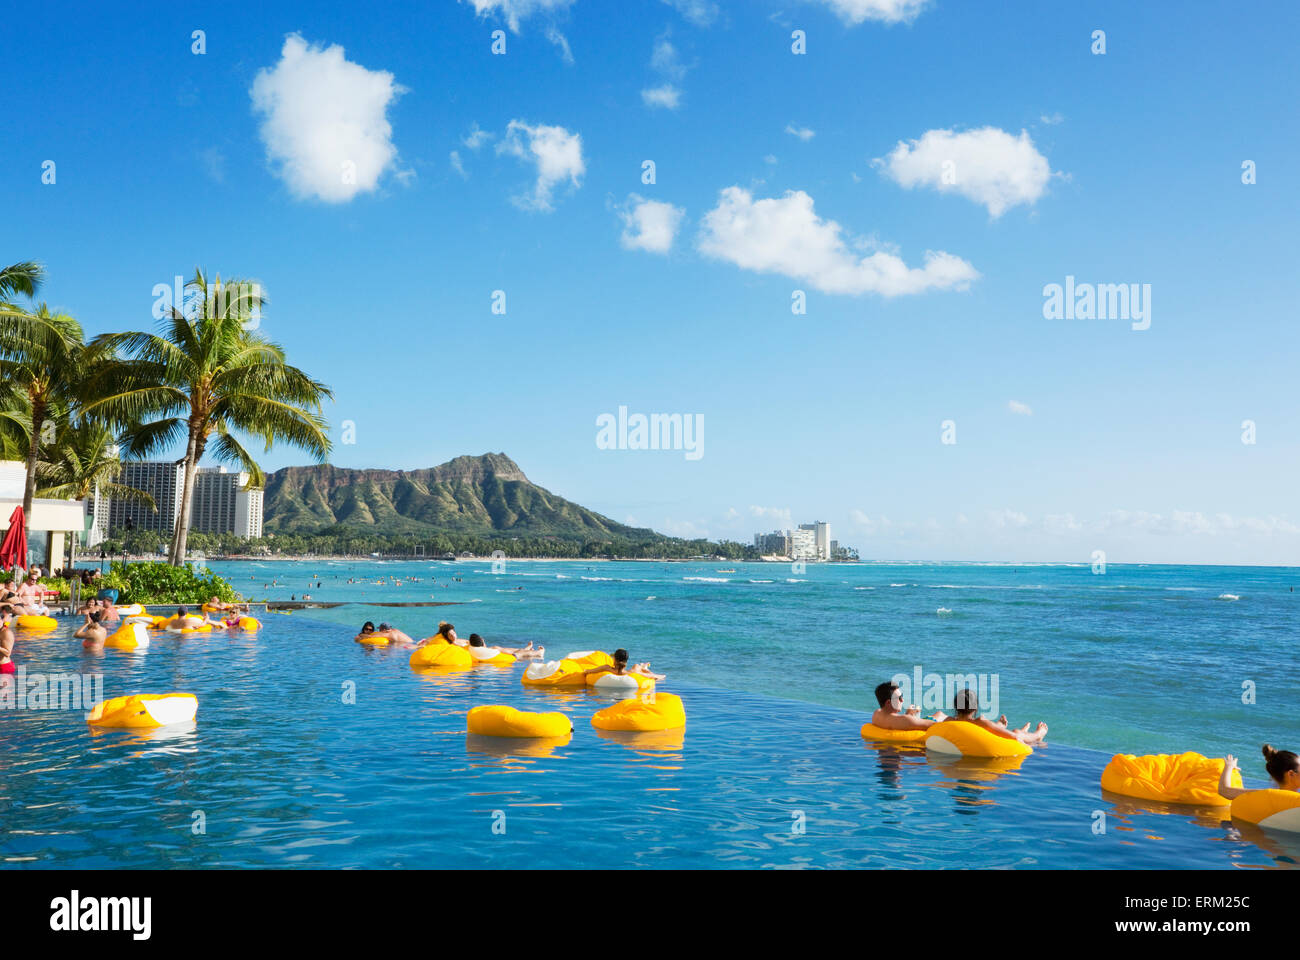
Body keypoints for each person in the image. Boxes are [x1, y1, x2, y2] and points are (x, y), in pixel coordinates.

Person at [944, 688, 1047, 745]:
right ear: (975, 708)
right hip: (986, 735)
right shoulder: (980, 722)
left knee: (999, 729)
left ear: (955, 706)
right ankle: (1038, 734)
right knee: (1016, 732)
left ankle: (1000, 726)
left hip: (981, 734)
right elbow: (1015, 737)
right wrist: (1026, 746)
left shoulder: (948, 721)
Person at [1218, 744, 1300, 800]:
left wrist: (1228, 767)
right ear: (1291, 774)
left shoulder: (1266, 795)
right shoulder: (1269, 795)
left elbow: (1224, 790)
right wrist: (1229, 767)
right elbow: (1224, 791)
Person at [871, 681, 948, 730]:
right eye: (899, 698)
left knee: (938, 714)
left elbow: (894, 721)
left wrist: (909, 714)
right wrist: (910, 716)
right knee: (941, 714)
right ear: (888, 702)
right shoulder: (905, 719)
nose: (902, 700)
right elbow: (938, 726)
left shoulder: (876, 714)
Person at [580, 648, 665, 682]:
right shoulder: (632, 673)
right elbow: (656, 677)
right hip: (632, 671)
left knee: (636, 666)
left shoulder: (607, 668)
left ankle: (644, 666)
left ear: (614, 659)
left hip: (621, 670)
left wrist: (584, 671)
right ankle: (644, 666)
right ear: (626, 661)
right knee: (636, 666)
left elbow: (588, 671)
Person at [466, 632, 544, 660]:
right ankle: (540, 652)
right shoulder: (492, 649)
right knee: (520, 652)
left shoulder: (471, 650)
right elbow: (512, 652)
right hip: (510, 657)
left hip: (499, 657)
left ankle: (526, 649)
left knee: (517, 651)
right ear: (482, 643)